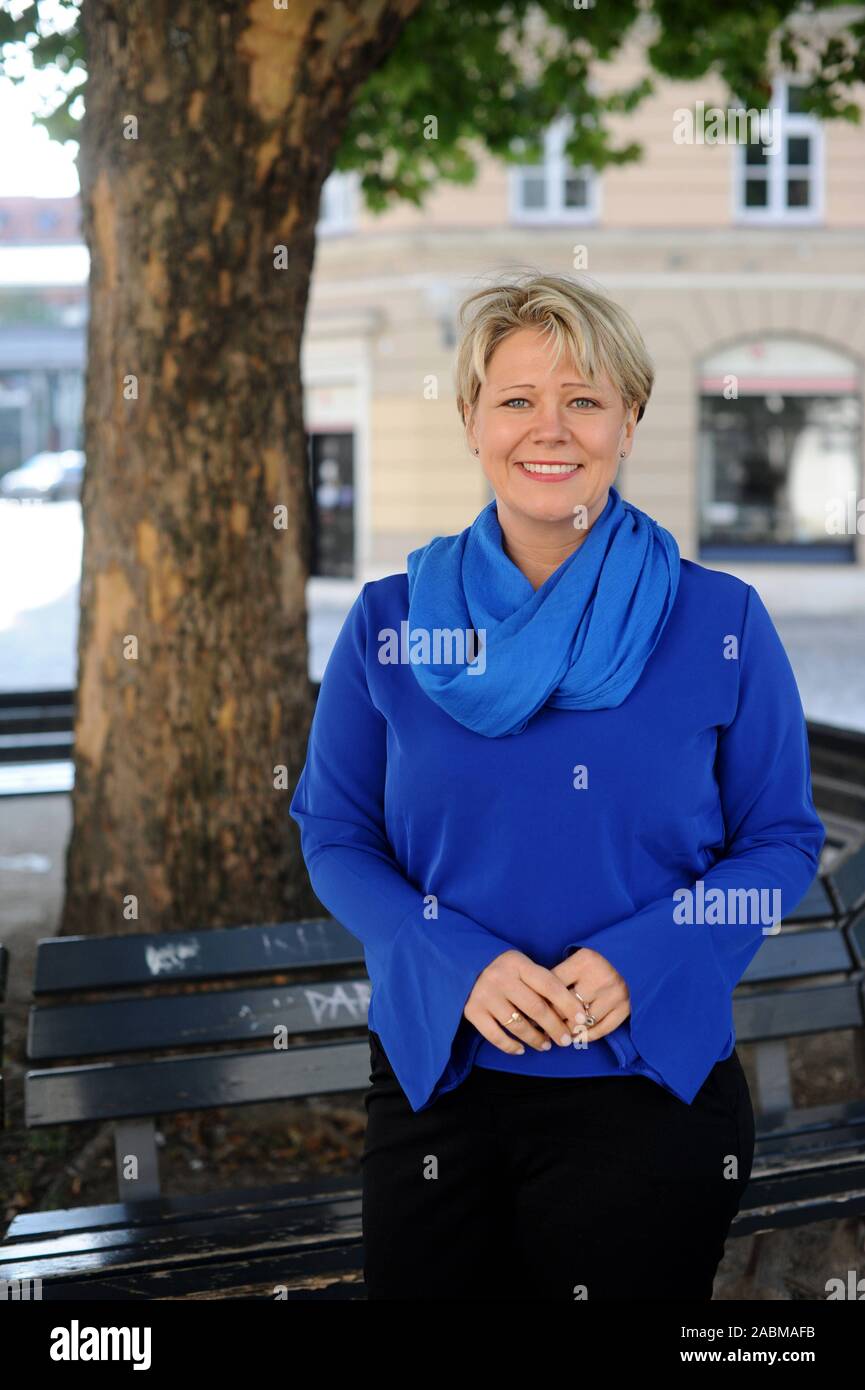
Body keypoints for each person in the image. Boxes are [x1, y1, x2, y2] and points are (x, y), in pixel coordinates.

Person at [288, 271, 826, 1301]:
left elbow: (779, 840)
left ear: (629, 420)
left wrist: (648, 956)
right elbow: (335, 834)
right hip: (441, 1080)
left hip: (648, 1083)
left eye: (583, 398)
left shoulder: (720, 618)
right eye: (516, 398)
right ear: (470, 421)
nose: (552, 428)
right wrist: (453, 960)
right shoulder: (390, 621)